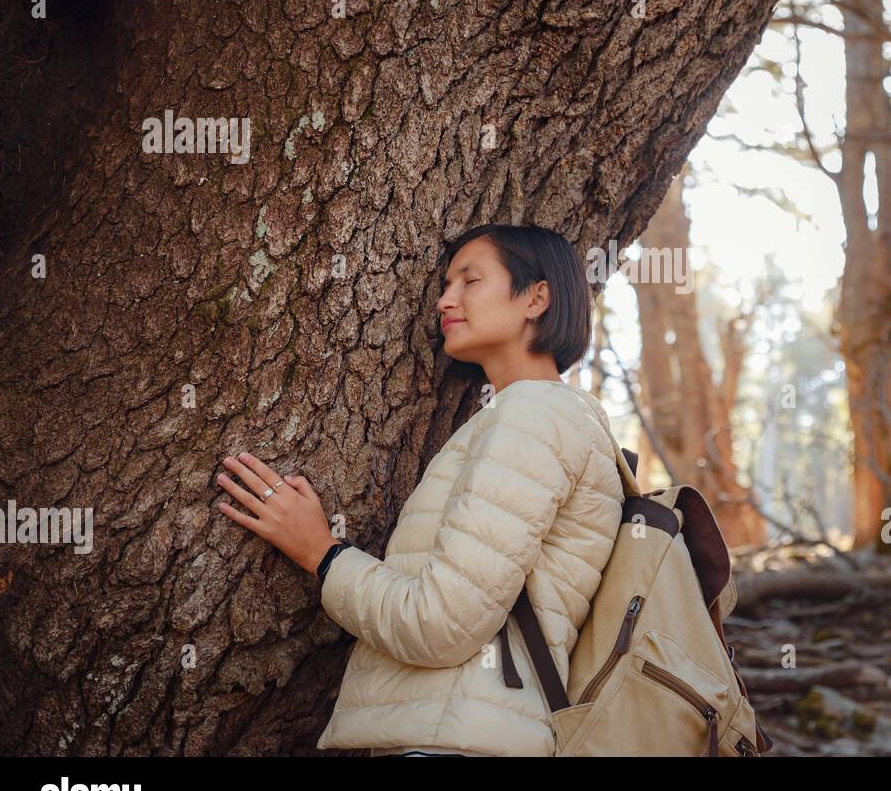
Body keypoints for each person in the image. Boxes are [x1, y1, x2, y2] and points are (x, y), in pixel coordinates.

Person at [214, 224, 629, 756]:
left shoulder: (534, 414)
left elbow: (442, 622)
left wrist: (320, 551)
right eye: (446, 282)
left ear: (535, 297)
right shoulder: (535, 416)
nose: (443, 299)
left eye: (469, 280)